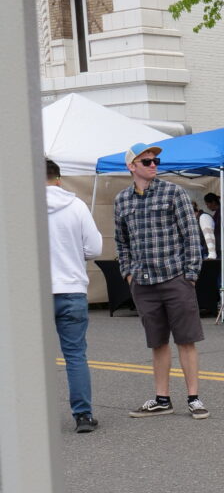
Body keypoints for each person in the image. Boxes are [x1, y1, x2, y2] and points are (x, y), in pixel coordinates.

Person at [114, 143, 209, 419]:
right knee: (157, 342)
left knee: (186, 340)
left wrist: (190, 276)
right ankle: (162, 398)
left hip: (175, 278)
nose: (154, 164)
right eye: (146, 161)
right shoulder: (122, 201)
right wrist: (128, 273)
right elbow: (121, 242)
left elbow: (191, 235)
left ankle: (194, 398)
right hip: (143, 282)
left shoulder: (173, 192)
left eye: (156, 160)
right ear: (132, 166)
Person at [45, 157, 101, 433]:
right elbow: (94, 248)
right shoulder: (76, 206)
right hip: (71, 289)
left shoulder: (20, 206)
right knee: (75, 355)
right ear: (58, 178)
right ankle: (83, 415)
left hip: (34, 293)